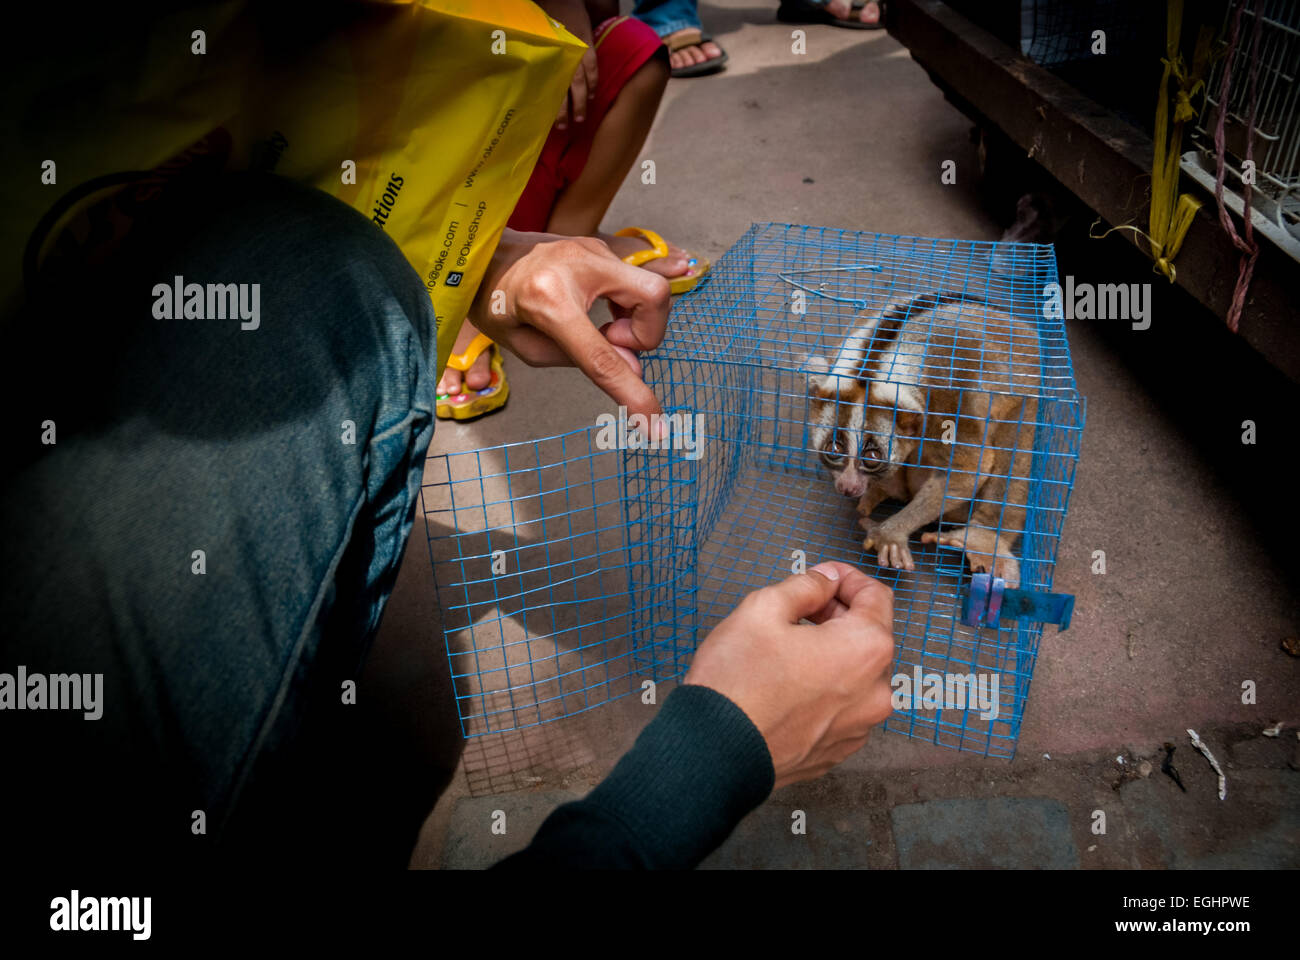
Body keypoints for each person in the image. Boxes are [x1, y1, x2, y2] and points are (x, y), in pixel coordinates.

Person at [437, 0, 711, 419]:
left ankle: (571, 237)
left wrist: (565, 6)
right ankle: (460, 279)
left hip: (532, 126)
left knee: (631, 45)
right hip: (435, 140)